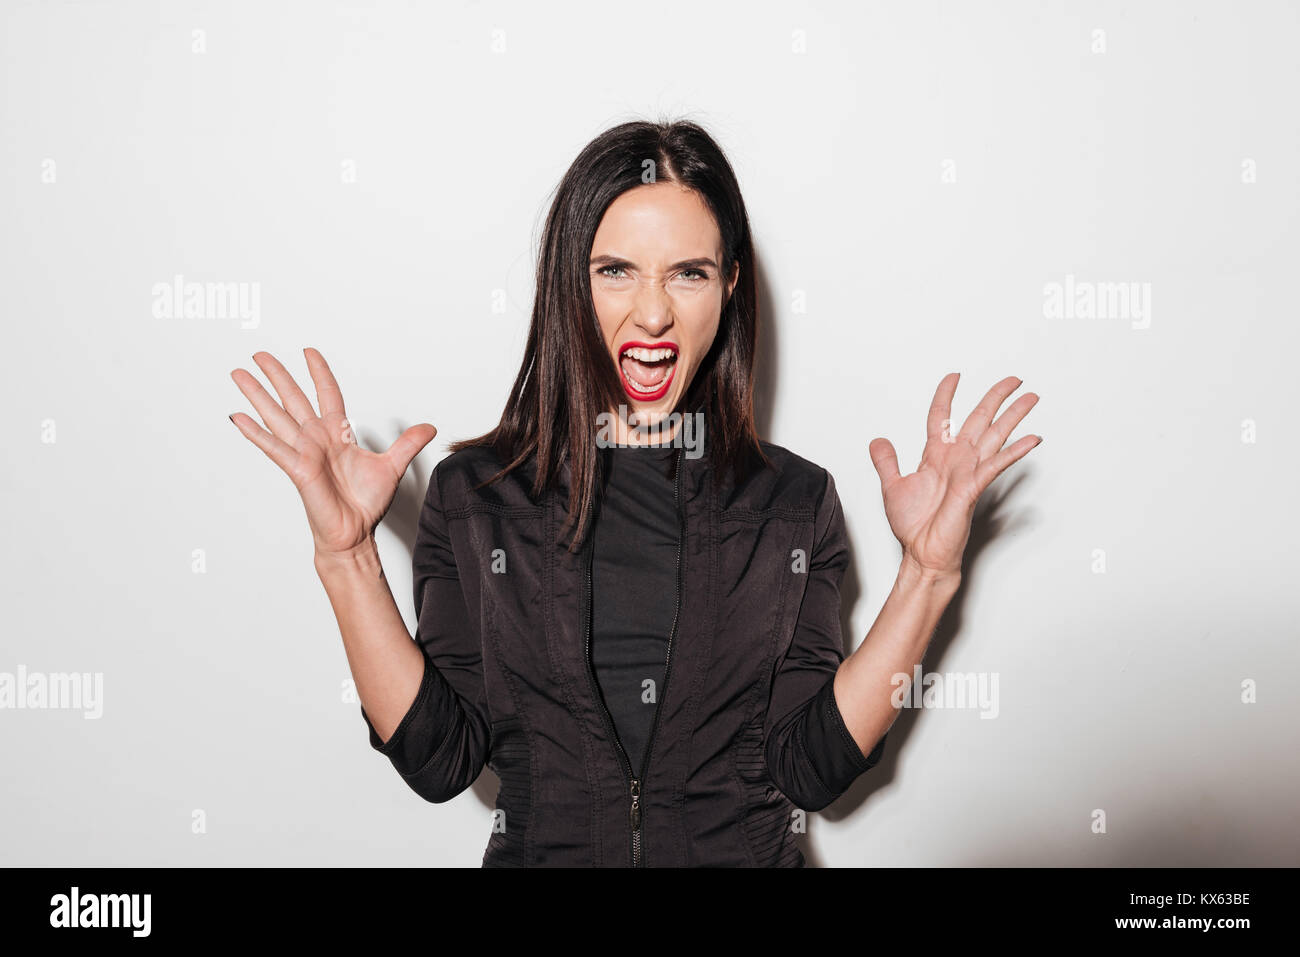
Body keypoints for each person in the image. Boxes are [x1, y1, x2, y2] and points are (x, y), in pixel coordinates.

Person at [228, 119, 1041, 866]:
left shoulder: (793, 503)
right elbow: (441, 758)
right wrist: (346, 559)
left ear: (728, 288)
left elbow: (812, 767)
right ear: (569, 284)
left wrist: (927, 577)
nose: (651, 312)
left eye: (687, 273)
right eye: (616, 270)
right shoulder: (477, 497)